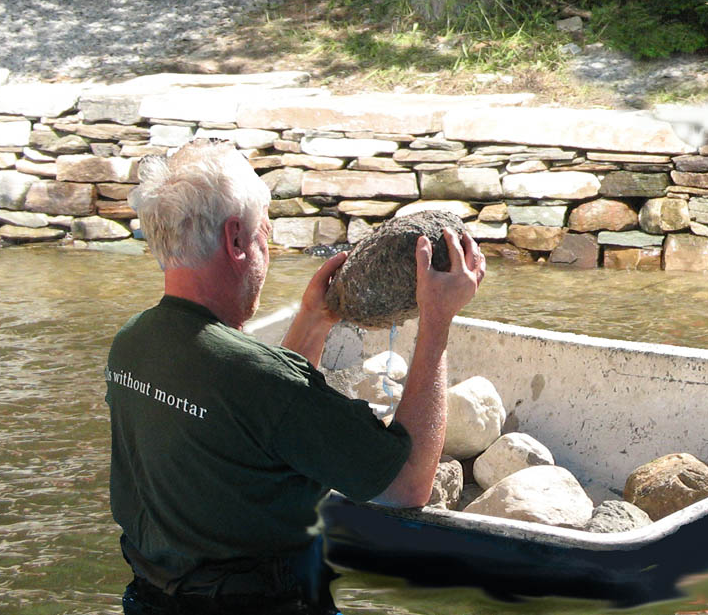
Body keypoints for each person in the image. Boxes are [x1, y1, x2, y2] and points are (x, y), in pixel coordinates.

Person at [106, 139, 485, 614]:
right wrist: (436, 326)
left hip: (151, 599)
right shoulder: (258, 380)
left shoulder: (132, 344)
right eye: (266, 233)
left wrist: (314, 318)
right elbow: (407, 485)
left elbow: (260, 427)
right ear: (236, 241)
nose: (268, 250)